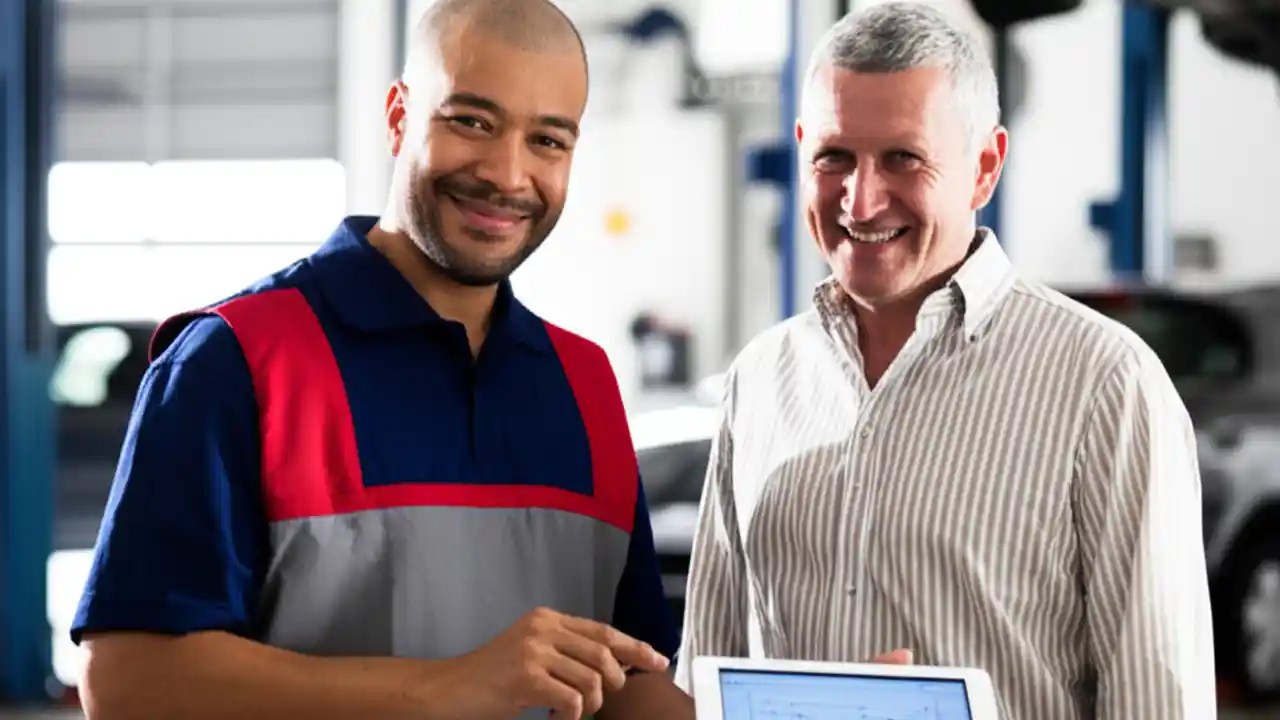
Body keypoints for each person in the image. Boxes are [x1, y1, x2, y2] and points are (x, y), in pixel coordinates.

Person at [72, 1, 698, 718]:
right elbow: (126, 682)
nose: (507, 173)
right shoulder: (232, 359)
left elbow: (628, 673)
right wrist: (450, 686)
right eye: (472, 121)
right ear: (400, 115)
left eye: (548, 140)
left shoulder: (585, 383)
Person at [673, 3, 1217, 719]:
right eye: (834, 157)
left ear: (985, 167)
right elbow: (707, 672)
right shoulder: (760, 380)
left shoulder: (1103, 384)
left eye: (903, 158)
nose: (861, 199)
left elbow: (1159, 704)